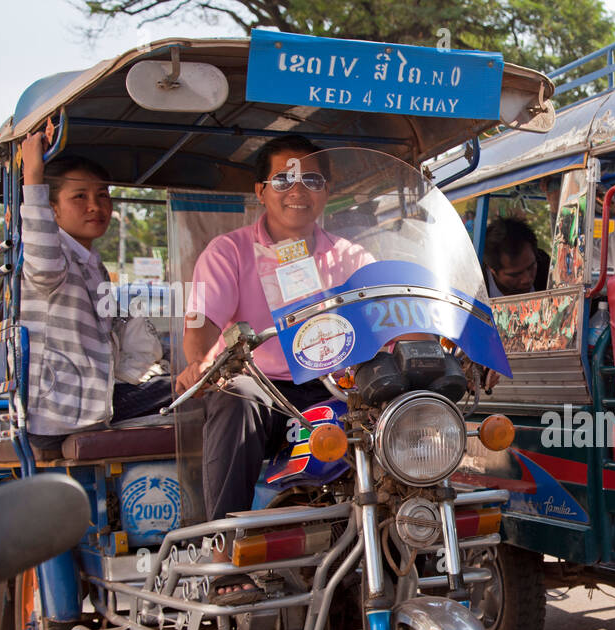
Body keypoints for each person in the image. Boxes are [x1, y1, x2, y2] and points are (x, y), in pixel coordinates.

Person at [179, 135, 369, 542]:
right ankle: (224, 547)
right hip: (259, 390)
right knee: (236, 400)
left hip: (329, 391)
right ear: (260, 192)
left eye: (312, 181)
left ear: (327, 192)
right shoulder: (227, 252)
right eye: (284, 180)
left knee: (393, 411)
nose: (298, 191)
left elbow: (389, 308)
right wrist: (198, 362)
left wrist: (443, 340)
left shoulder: (350, 257)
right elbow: (202, 325)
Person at [19, 130, 171, 459]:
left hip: (90, 399)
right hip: (66, 409)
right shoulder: (53, 255)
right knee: (199, 389)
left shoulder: (91, 264)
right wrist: (32, 176)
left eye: (103, 195)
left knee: (188, 380)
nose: (95, 207)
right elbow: (42, 259)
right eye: (80, 197)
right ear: (52, 210)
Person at [483, 216, 546, 297]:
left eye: (531, 267)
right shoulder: (475, 289)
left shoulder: (546, 267)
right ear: (492, 270)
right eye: (515, 275)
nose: (526, 279)